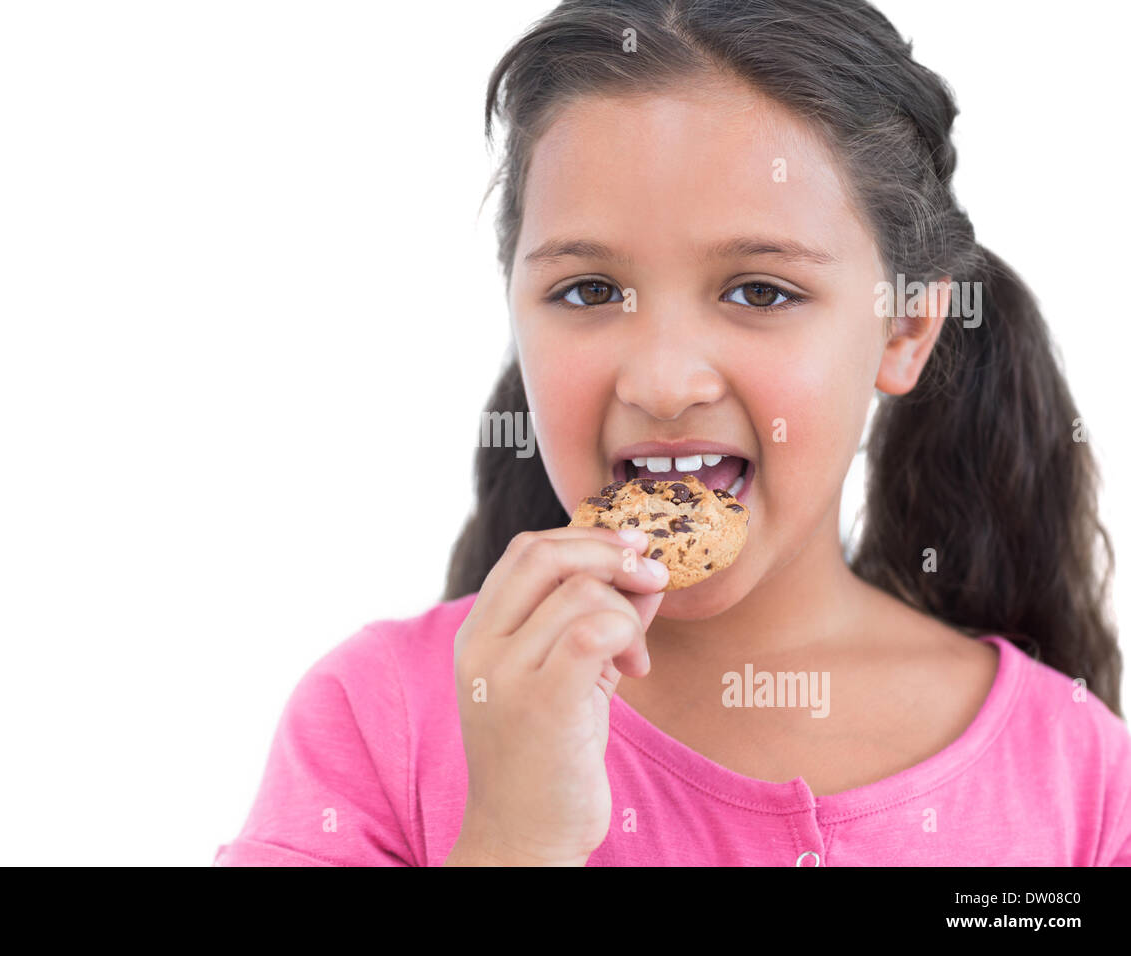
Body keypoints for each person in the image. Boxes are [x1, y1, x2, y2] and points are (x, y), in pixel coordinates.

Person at [216, 0, 1129, 866]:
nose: (661, 382)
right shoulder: (375, 720)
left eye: (760, 291)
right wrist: (512, 837)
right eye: (589, 291)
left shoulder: (1084, 779)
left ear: (905, 329)